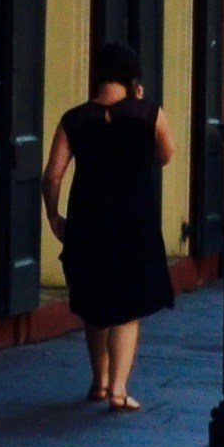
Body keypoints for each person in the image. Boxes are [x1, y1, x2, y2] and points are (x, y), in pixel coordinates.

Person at [43, 46, 177, 409]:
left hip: (88, 218)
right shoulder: (149, 113)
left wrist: (54, 215)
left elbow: (53, 175)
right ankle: (119, 389)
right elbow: (165, 155)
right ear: (134, 79)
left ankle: (99, 382)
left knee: (94, 301)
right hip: (134, 218)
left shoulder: (74, 119)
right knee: (127, 305)